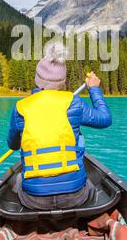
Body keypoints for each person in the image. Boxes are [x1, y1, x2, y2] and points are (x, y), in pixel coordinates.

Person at [7, 42, 112, 210]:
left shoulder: (21, 107)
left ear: (37, 80)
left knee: (18, 178)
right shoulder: (74, 102)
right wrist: (94, 89)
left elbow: (12, 145)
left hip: (34, 200)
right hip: (76, 197)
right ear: (62, 82)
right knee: (87, 177)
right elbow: (105, 118)